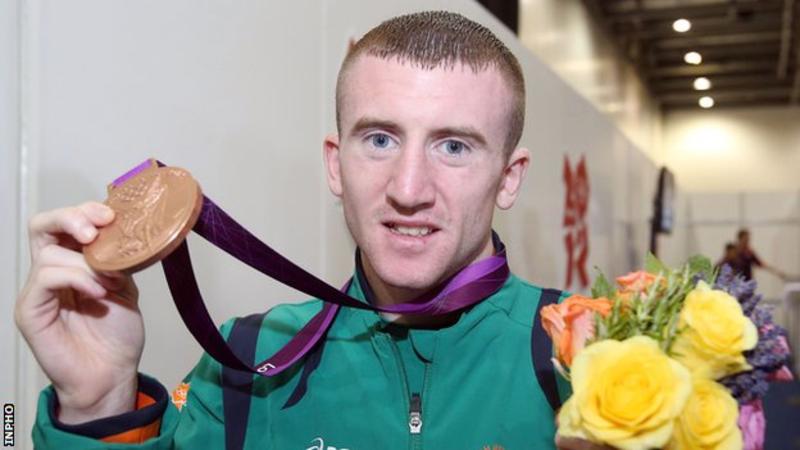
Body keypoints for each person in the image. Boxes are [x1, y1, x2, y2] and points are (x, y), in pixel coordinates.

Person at [16, 11, 600, 450]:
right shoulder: (246, 360)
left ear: (508, 177)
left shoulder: (598, 354)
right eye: (380, 140)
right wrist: (98, 401)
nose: (409, 188)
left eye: (453, 146)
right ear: (334, 163)